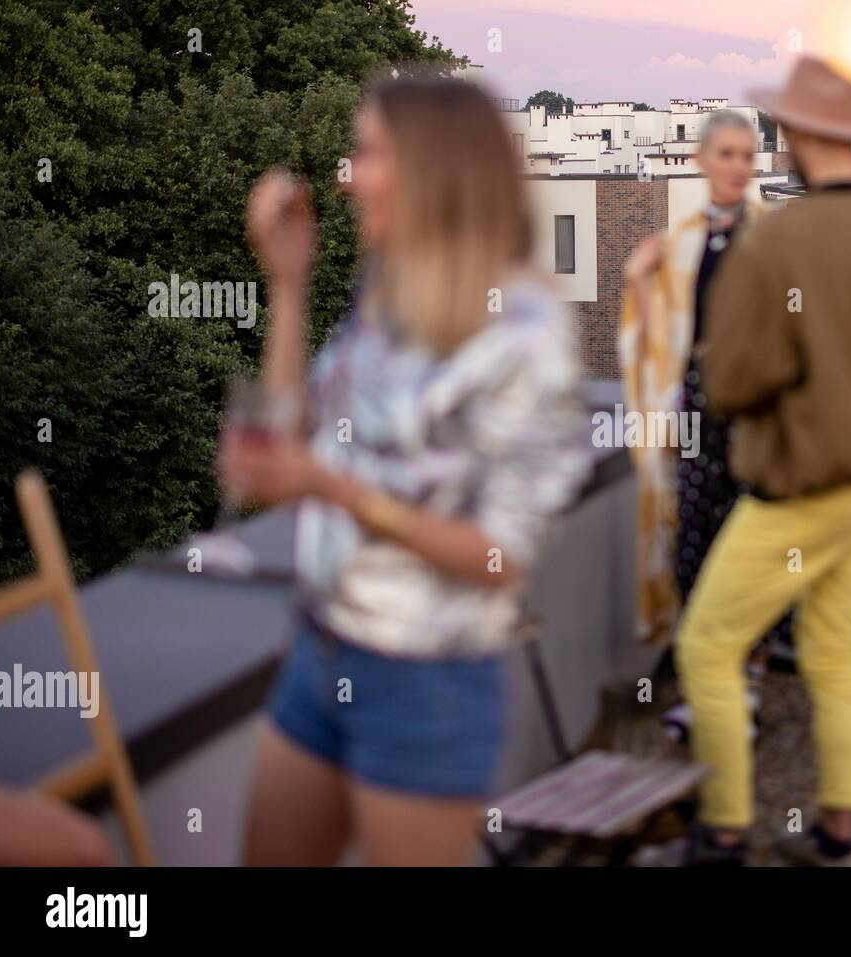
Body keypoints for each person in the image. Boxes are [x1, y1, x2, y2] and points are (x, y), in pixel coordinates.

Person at [221, 71, 589, 866]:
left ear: (434, 170)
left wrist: (330, 487)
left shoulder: (527, 334)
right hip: (320, 646)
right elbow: (299, 428)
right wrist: (287, 283)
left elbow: (500, 559)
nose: (347, 175)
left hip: (429, 681)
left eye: (369, 154)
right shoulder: (387, 287)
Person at [665, 57, 851, 866]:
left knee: (706, 646)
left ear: (794, 133)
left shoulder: (778, 240)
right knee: (833, 655)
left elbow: (727, 379)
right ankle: (838, 831)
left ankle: (723, 829)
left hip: (799, 490)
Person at [619, 111, 791, 742]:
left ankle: (745, 685)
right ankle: (703, 687)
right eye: (726, 154)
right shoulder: (682, 239)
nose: (739, 166)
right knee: (696, 544)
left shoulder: (773, 236)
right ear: (701, 160)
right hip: (696, 416)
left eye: (747, 155)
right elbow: (658, 329)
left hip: (756, 420)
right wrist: (637, 279)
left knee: (753, 550)